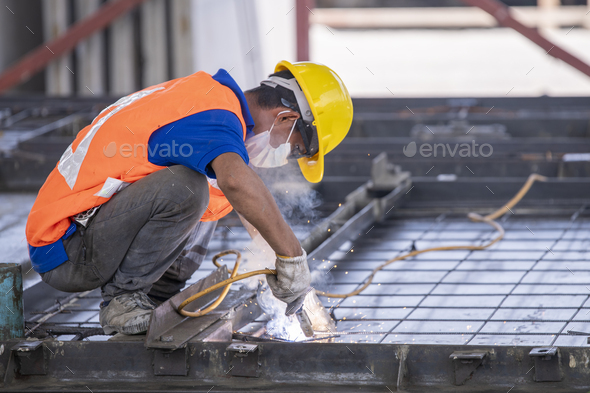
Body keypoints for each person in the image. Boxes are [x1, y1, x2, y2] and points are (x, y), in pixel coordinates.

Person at [26, 60, 353, 335]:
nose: (288, 157)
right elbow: (237, 182)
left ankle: (155, 297)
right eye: (297, 150)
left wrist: (296, 285)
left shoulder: (213, 103)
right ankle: (123, 301)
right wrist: (292, 255)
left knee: (211, 190)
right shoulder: (215, 115)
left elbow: (242, 196)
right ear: (286, 119)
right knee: (188, 187)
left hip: (86, 235)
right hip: (67, 249)